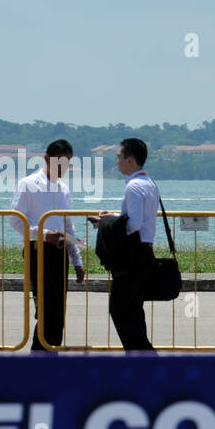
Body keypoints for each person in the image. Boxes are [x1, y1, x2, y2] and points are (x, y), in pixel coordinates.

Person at [9, 139, 85, 352]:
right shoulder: (28, 184)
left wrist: (77, 260)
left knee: (58, 312)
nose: (64, 168)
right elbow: (16, 220)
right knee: (45, 310)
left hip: (60, 253)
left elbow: (68, 227)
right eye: (60, 162)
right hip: (39, 251)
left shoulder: (64, 189)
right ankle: (39, 357)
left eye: (67, 162)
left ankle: (50, 356)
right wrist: (42, 234)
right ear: (47, 159)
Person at [89, 138, 158, 352]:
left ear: (129, 160)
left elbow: (134, 224)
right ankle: (141, 362)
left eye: (119, 157)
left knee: (121, 311)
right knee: (134, 313)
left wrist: (106, 224)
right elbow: (137, 218)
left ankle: (146, 359)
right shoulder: (149, 184)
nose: (117, 162)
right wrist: (114, 216)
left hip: (132, 258)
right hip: (144, 253)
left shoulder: (134, 187)